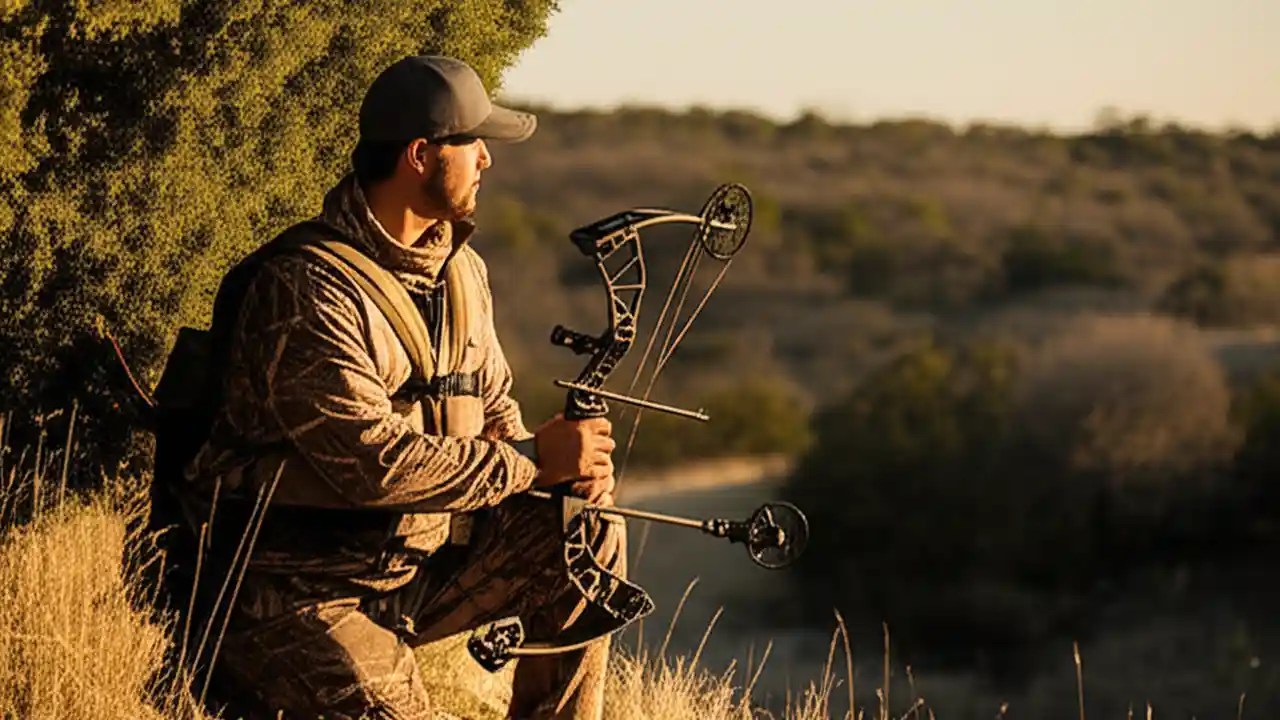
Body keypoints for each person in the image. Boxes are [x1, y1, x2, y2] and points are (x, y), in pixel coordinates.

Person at [167, 55, 625, 720]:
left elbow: (494, 410)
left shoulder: (463, 272)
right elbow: (371, 463)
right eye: (473, 144)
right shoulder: (306, 289)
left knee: (586, 529)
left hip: (410, 575)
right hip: (294, 594)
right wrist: (529, 462)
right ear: (420, 154)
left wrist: (563, 475)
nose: (486, 163)